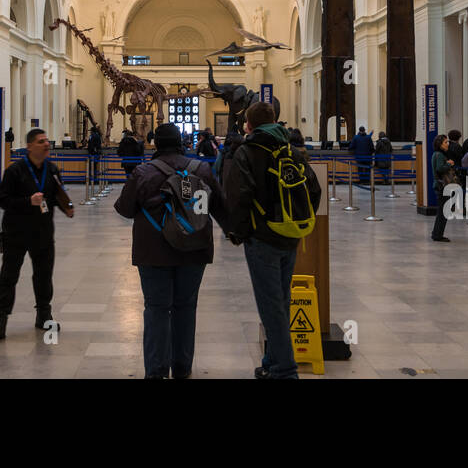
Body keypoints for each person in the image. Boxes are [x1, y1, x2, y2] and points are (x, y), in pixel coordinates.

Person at [114, 123, 227, 379]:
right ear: (181, 143)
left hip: (153, 252)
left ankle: (155, 371)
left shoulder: (143, 172)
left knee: (156, 309)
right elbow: (220, 206)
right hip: (195, 249)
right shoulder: (202, 169)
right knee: (186, 308)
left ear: (156, 144)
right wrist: (238, 232)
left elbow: (124, 208)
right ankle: (182, 369)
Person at [223, 101, 321, 379]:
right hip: (290, 237)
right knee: (281, 300)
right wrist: (301, 222)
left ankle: (284, 369)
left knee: (271, 305)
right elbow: (314, 190)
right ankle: (271, 359)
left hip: (262, 238)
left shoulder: (247, 152)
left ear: (250, 125)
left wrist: (238, 232)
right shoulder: (292, 151)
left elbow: (239, 197)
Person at [0, 128, 74, 341]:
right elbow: (3, 200)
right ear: (30, 146)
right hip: (16, 233)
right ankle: (0, 319)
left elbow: (54, 197)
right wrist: (28, 201)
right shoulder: (15, 171)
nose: (46, 144)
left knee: (43, 275)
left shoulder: (52, 170)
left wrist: (66, 208)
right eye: (41, 141)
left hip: (43, 233)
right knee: (9, 276)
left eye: (46, 141)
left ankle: (44, 314)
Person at [429, 134, 454, 243]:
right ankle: (438, 234)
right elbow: (439, 168)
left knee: (442, 211)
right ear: (440, 144)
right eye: (445, 142)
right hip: (442, 185)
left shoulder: (436, 154)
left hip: (439, 185)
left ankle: (437, 233)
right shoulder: (440, 155)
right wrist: (449, 164)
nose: (447, 144)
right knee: (443, 212)